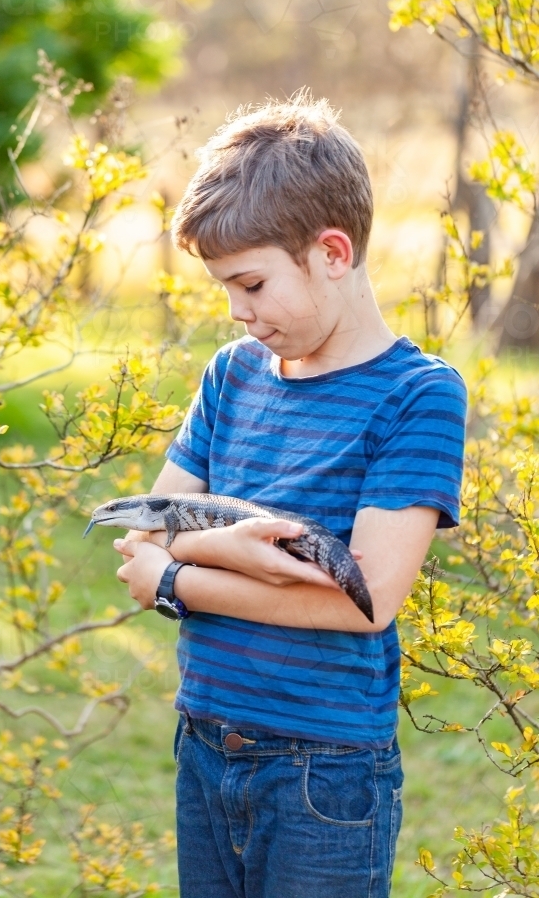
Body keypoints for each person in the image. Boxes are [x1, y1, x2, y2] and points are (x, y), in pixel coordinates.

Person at [114, 92, 467, 898]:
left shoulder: (416, 395)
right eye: (224, 291)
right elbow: (144, 526)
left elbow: (363, 597)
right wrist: (225, 548)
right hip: (203, 742)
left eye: (252, 284)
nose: (239, 313)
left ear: (332, 252)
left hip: (323, 772)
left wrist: (177, 579)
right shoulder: (231, 375)